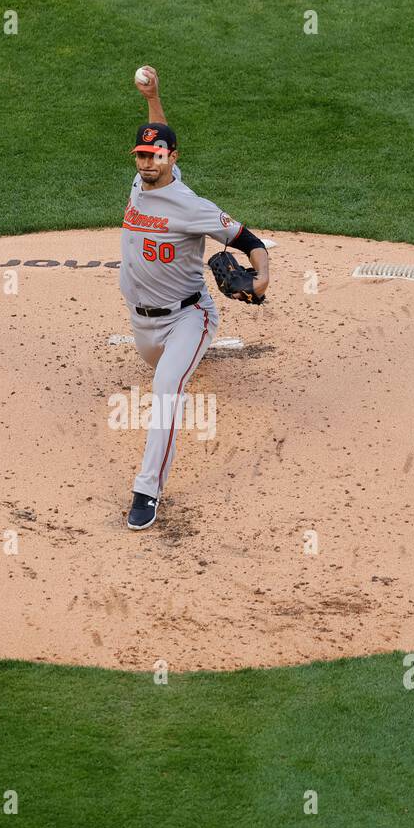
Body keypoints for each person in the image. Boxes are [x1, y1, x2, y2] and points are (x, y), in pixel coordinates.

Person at [119, 66, 271, 530]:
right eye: (142, 154)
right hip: (142, 326)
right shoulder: (139, 186)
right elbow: (161, 132)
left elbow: (249, 241)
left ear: (172, 159)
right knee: (157, 365)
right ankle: (181, 359)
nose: (147, 162)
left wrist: (260, 280)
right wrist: (154, 96)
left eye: (155, 156)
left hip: (189, 317)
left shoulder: (192, 206)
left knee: (166, 390)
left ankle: (147, 490)